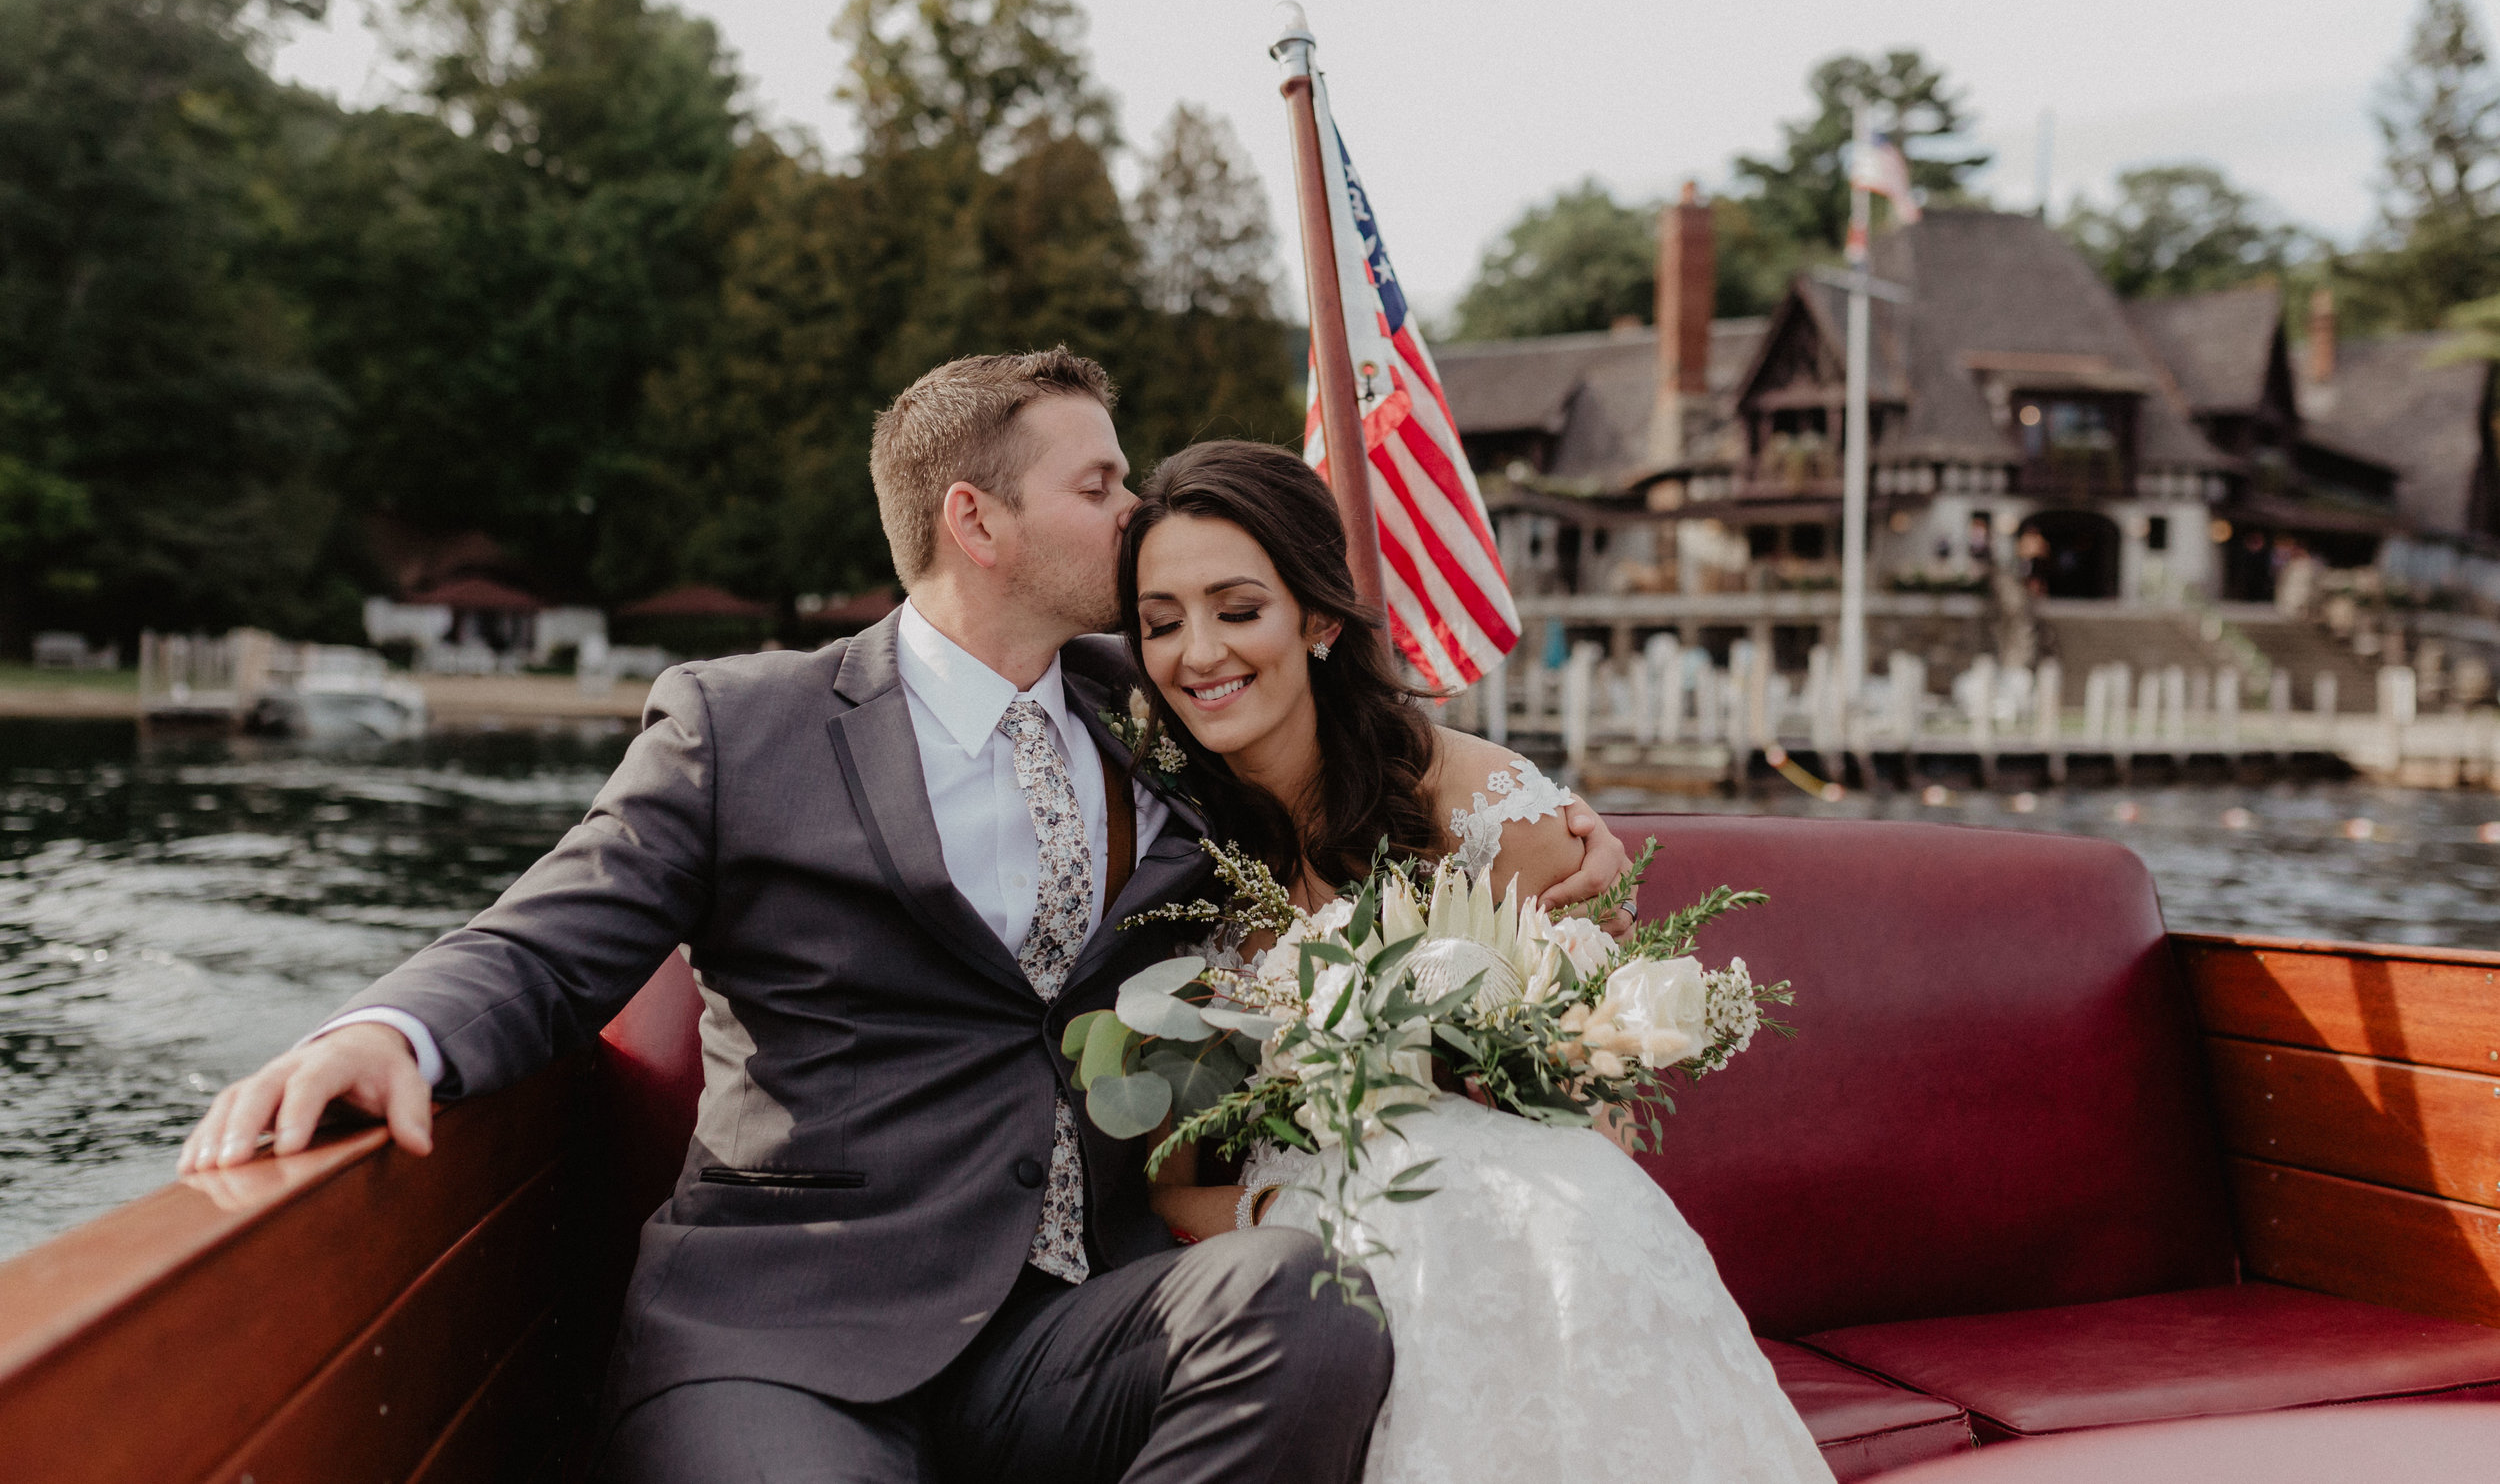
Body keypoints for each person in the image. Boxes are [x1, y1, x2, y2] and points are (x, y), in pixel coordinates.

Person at [177, 349, 1636, 1483]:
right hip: (783, 1334)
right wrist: (393, 1029)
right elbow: (551, 933)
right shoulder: (744, 724)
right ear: (975, 517)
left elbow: (1348, 767)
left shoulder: (1158, 712)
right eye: (1101, 484)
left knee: (1309, 1296)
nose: (1137, 513)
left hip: (1076, 1326)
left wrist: (1544, 835)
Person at [1117, 439, 1833, 1484]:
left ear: (1319, 618)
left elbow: (1604, 1115)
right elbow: (1167, 1178)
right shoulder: (1159, 839)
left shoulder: (1485, 811)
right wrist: (1317, 1205)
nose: (1198, 652)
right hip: (1290, 1255)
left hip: (1521, 1236)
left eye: (1237, 609)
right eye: (1160, 621)